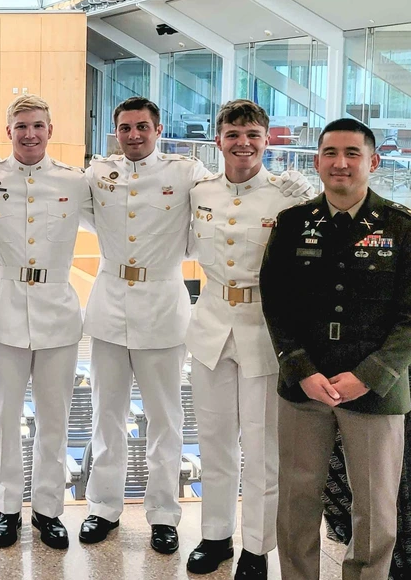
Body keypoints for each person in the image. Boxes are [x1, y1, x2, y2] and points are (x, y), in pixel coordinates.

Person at [80, 96, 311, 554]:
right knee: (108, 417)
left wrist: (298, 188)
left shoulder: (189, 176)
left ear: (159, 129)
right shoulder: (101, 174)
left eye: (143, 126)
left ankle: (166, 515)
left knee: (168, 420)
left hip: (171, 309)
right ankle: (103, 506)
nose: (134, 135)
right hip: (112, 308)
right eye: (125, 127)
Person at [260, 118, 411, 580]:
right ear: (317, 161)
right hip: (306, 384)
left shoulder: (400, 227)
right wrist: (300, 368)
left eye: (351, 153)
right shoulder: (292, 224)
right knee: (296, 500)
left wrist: (369, 373)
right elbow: (276, 302)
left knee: (375, 507)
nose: (340, 163)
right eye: (330, 153)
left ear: (373, 162)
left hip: (376, 387)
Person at [185, 100, 313, 578]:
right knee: (215, 442)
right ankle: (215, 537)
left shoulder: (288, 195)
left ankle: (257, 548)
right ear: (218, 140)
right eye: (234, 134)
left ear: (266, 140)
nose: (243, 143)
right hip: (211, 324)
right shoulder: (200, 192)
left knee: (262, 449)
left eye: (253, 134)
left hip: (264, 326)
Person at [0, 95, 93, 550]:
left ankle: (48, 510)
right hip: (2, 312)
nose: (30, 133)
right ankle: (7, 508)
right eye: (21, 126)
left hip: (57, 311)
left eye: (38, 125)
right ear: (8, 131)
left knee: (54, 418)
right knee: (2, 416)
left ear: (50, 129)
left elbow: (114, 222)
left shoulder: (74, 182)